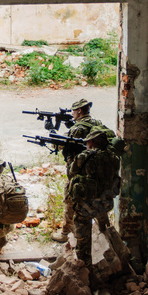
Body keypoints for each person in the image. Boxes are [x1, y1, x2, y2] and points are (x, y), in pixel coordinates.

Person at [52, 98, 114, 243]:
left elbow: (59, 145)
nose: (72, 114)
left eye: (73, 111)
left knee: (70, 199)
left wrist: (51, 130)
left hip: (82, 170)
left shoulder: (77, 128)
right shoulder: (96, 123)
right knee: (100, 198)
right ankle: (105, 231)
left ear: (79, 110)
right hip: (99, 171)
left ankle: (65, 233)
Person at [68, 129, 126, 268]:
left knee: (83, 233)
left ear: (92, 142)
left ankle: (85, 265)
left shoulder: (85, 156)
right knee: (104, 227)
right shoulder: (114, 158)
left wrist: (71, 158)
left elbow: (71, 171)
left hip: (87, 205)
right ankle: (114, 257)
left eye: (88, 141)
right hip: (105, 204)